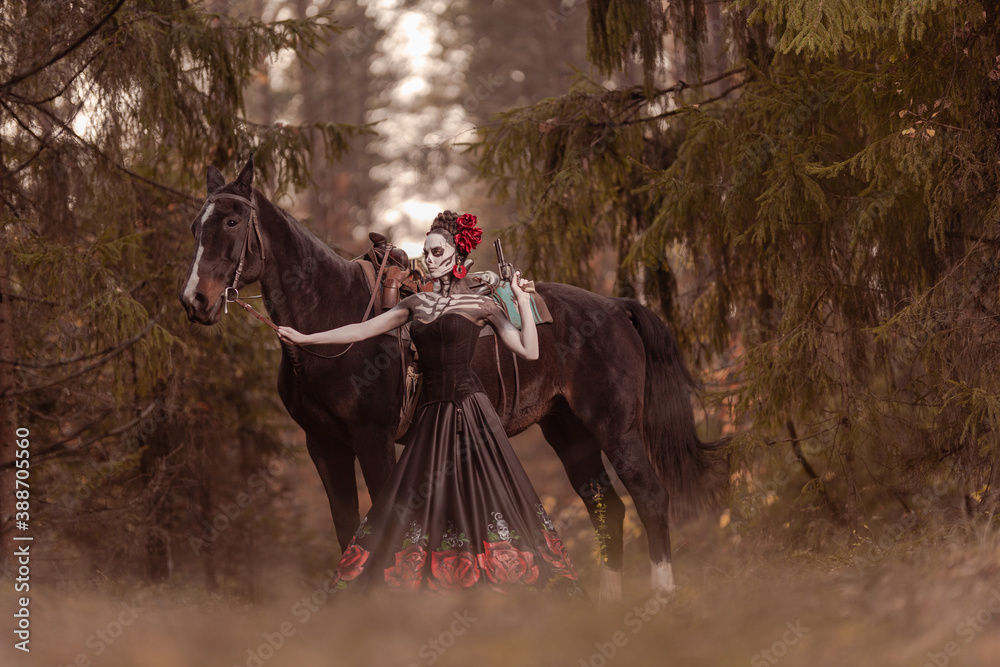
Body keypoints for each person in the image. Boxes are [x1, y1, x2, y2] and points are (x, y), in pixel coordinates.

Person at [277, 211, 584, 597]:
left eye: (437, 252)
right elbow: (361, 330)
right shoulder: (416, 304)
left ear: (456, 255)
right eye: (426, 252)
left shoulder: (480, 304)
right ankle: (429, 587)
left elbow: (529, 348)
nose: (429, 259)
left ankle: (496, 585)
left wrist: (521, 299)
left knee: (486, 494)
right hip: (431, 415)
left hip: (473, 411)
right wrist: (306, 339)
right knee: (413, 497)